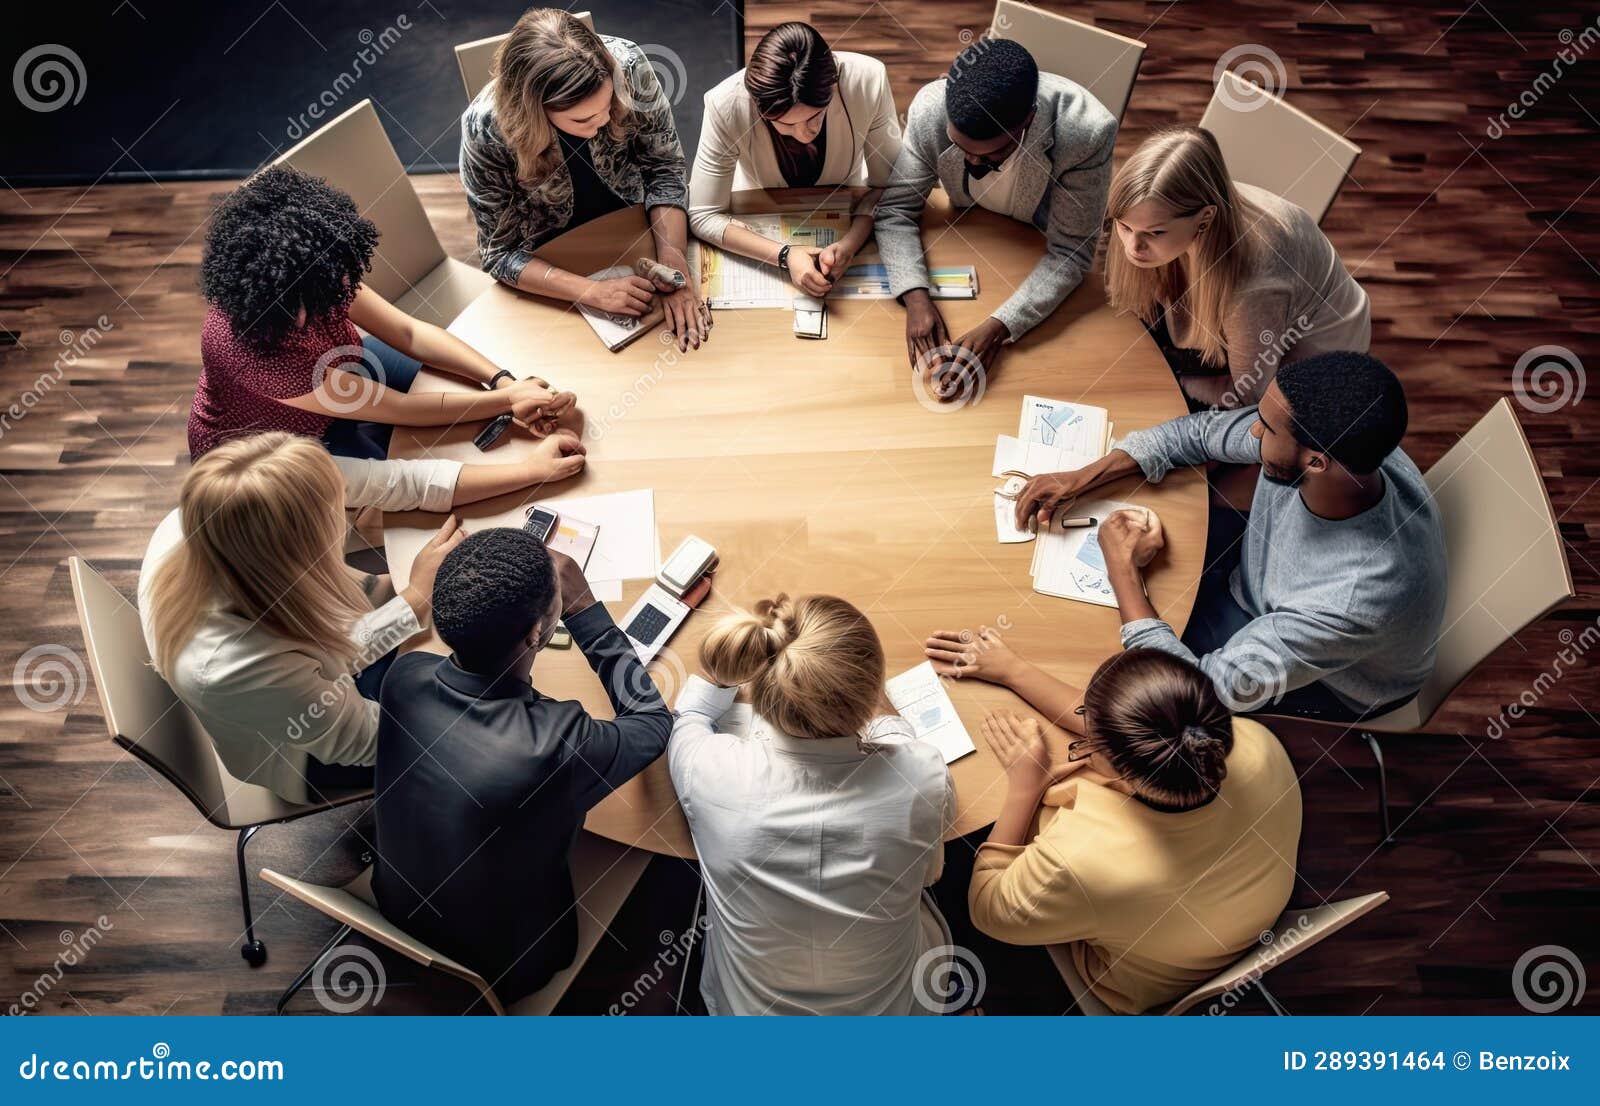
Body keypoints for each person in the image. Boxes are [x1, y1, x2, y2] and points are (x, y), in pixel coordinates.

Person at [139, 431, 585, 802]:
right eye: (337, 516)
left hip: (304, 690)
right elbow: (376, 742)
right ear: (293, 557)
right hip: (308, 759)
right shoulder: (232, 664)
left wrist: (415, 598)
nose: (352, 517)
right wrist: (518, 725)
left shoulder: (216, 516)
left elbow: (394, 481)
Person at [1011, 352, 1447, 720]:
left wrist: (1121, 570)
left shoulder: (1352, 601)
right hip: (1261, 584)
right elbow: (1198, 434)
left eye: (1266, 428)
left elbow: (1196, 692)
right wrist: (1080, 478)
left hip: (1331, 681)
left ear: (1316, 463)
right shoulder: (1347, 444)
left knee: (1100, 677)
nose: (1252, 431)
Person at [918, 640, 1300, 1015]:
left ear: (1124, 774)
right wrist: (1014, 670)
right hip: (1237, 924)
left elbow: (988, 909)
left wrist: (1025, 787)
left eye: (1091, 742)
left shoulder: (1077, 859)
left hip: (1134, 983)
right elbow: (1148, 732)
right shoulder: (1258, 742)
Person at [372, 527, 671, 1006]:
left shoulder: (404, 678)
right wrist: (587, 611)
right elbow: (654, 723)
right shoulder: (556, 745)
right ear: (537, 632)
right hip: (510, 966)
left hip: (395, 908)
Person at [670, 594, 955, 1015]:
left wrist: (737, 658)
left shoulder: (710, 771)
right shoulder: (922, 779)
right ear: (872, 690)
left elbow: (691, 714)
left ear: (761, 690)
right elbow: (898, 738)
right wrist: (863, 694)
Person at [190, 165, 571, 461]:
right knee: (417, 477)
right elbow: (403, 410)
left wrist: (502, 381)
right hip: (283, 449)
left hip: (343, 368)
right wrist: (508, 401)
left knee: (463, 402)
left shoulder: (314, 274)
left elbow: (409, 334)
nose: (344, 285)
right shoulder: (254, 355)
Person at [875, 38, 1115, 397]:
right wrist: (915, 296)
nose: (971, 163)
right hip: (970, 234)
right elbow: (895, 210)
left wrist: (1001, 325)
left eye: (988, 154)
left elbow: (1071, 252)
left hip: (1032, 245)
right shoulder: (930, 110)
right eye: (960, 147)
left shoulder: (1086, 133)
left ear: (1029, 121)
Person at [460, 7, 710, 351]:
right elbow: (500, 253)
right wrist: (590, 292)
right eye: (583, 120)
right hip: (553, 260)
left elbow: (663, 169)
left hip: (641, 226)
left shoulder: (631, 68)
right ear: (536, 111)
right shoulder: (485, 130)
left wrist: (673, 262)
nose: (606, 119)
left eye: (609, 104)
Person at [1106, 125, 1370, 409]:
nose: (1133, 247)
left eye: (1155, 232)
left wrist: (1175, 378)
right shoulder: (1169, 213)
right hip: (1250, 318)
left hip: (1313, 352)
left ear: (1205, 219)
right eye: (1124, 226)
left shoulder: (1253, 284)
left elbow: (1249, 397)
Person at [688, 22, 901, 297]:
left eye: (815, 117)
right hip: (758, 208)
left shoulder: (868, 81)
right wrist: (785, 255)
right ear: (760, 109)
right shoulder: (725, 104)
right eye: (786, 125)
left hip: (843, 204)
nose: (804, 135)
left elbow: (890, 188)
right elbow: (703, 215)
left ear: (833, 88)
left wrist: (849, 245)